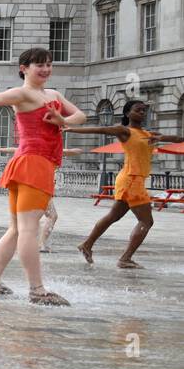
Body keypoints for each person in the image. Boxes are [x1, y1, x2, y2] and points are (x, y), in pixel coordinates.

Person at [0, 47, 86, 305]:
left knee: (15, 229)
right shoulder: (23, 93)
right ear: (24, 68)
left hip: (26, 164)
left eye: (48, 64)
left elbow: (80, 115)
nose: (45, 69)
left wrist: (61, 119)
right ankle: (37, 290)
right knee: (28, 230)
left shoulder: (54, 94)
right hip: (34, 165)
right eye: (39, 65)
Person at [67, 99, 184, 269]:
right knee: (146, 221)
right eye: (138, 110)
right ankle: (125, 258)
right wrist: (71, 129)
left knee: (113, 217)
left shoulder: (148, 134)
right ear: (127, 113)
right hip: (132, 179)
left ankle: (87, 244)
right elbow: (101, 129)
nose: (142, 113)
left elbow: (176, 138)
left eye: (144, 111)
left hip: (131, 180)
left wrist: (171, 137)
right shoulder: (125, 131)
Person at [0, 144, 83, 252]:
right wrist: (82, 150)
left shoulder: (32, 148)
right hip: (39, 187)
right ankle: (40, 244)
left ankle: (32, 243)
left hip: (29, 185)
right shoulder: (48, 149)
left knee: (30, 219)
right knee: (51, 216)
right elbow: (68, 151)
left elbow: (14, 149)